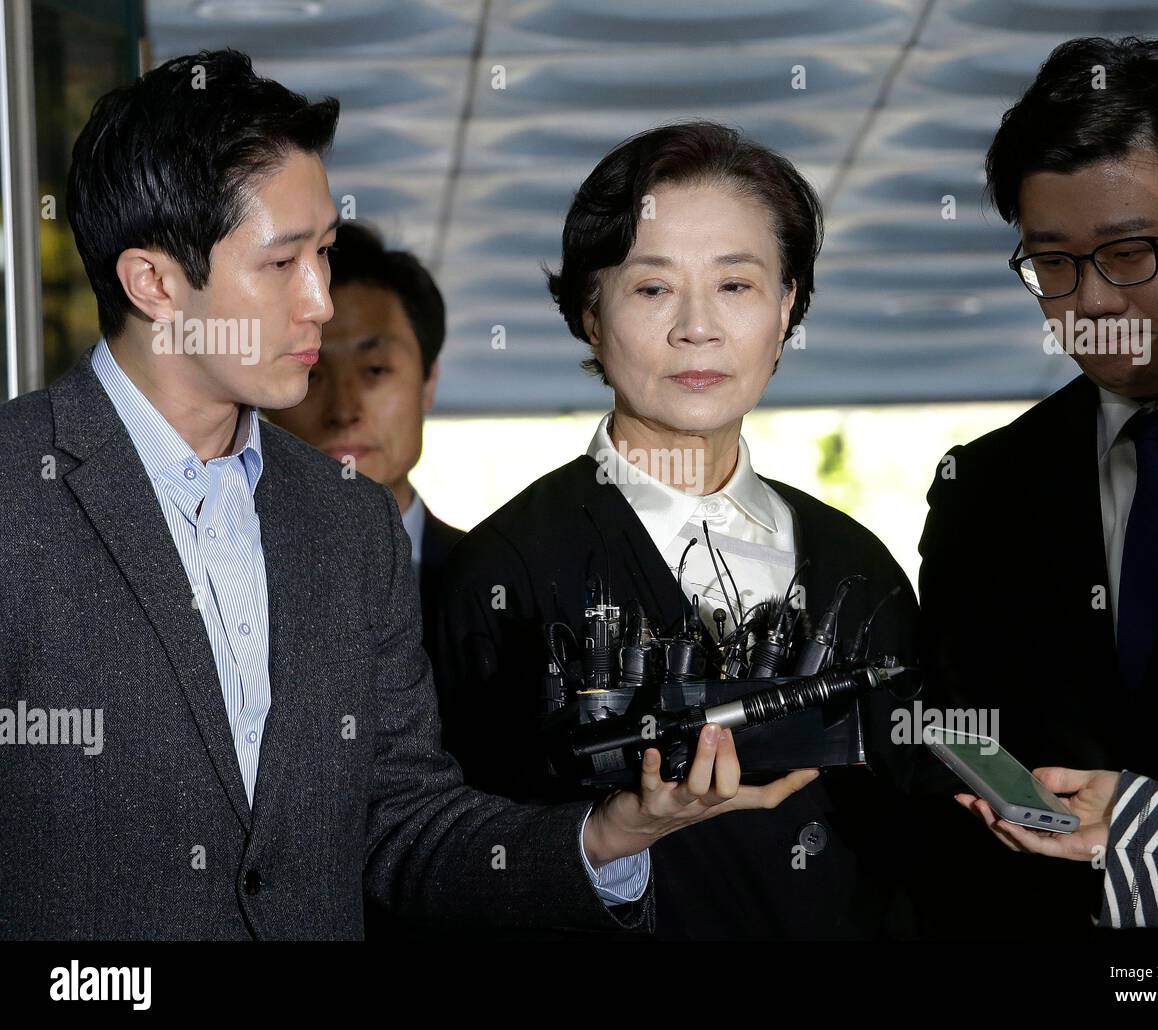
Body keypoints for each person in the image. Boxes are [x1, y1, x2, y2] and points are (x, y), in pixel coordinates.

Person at [0, 50, 812, 940]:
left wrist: (611, 836)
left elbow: (406, 825)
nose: (319, 300)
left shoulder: (347, 520)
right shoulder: (17, 494)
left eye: (325, 253)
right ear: (153, 283)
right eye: (281, 266)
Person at [427, 121, 921, 940]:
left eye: (736, 286)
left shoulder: (855, 567)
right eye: (652, 289)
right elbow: (442, 861)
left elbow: (911, 846)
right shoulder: (505, 573)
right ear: (590, 311)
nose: (699, 328)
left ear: (788, 304)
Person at [915, 36, 1158, 938]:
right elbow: (957, 740)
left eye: (1129, 253)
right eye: (1054, 265)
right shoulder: (985, 490)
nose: (1094, 305)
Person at [268, 222, 462, 629]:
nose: (344, 409)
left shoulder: (497, 578)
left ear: (428, 383)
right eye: (312, 373)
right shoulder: (222, 584)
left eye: (374, 370)